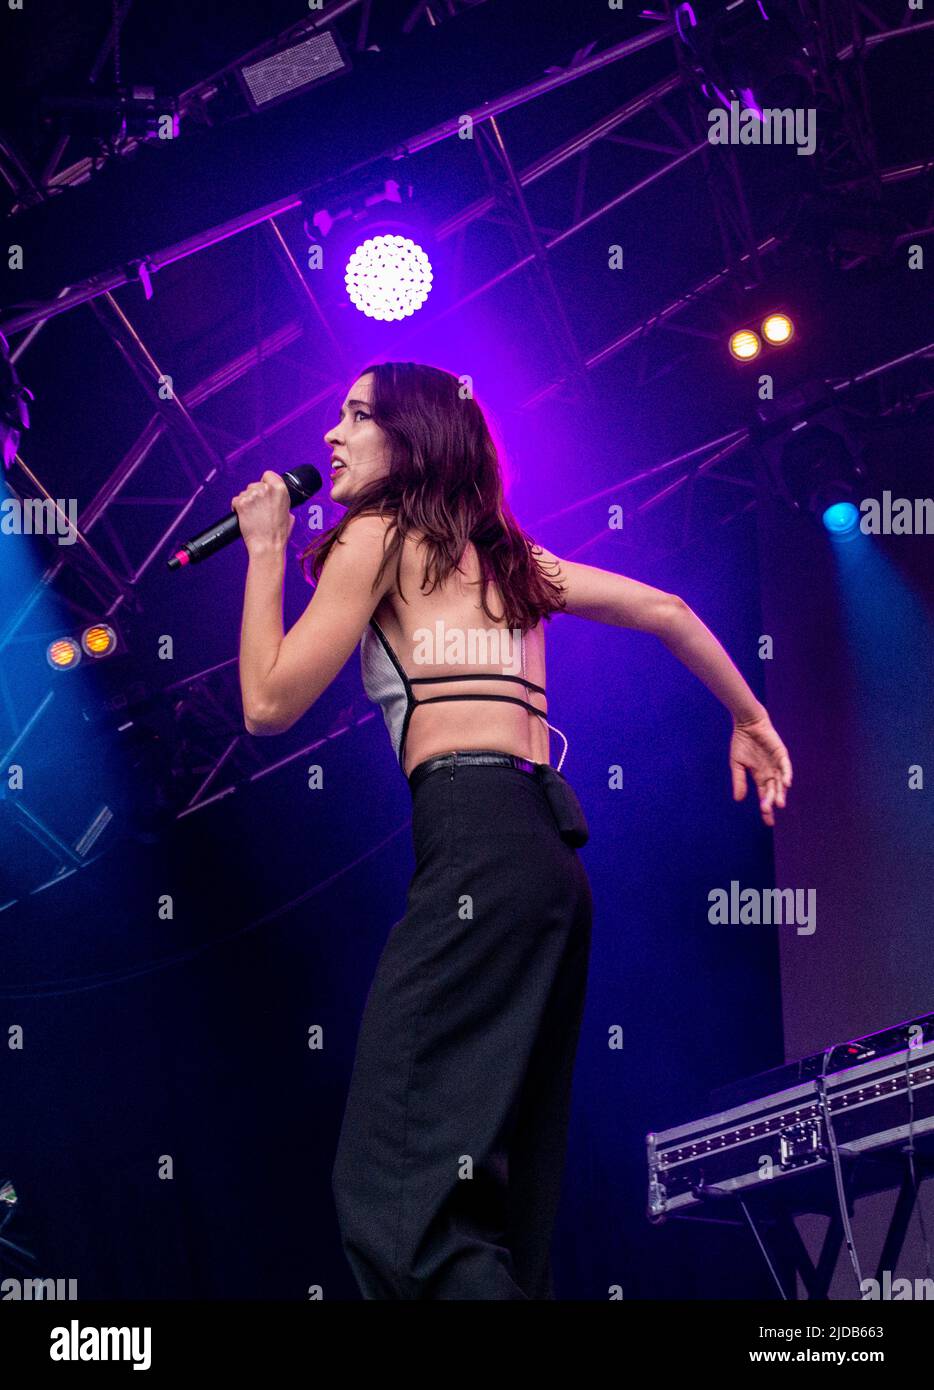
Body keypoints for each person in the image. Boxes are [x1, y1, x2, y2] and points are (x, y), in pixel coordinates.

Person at [233, 360, 792, 1300]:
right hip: (545, 860)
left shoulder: (372, 534)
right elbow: (668, 610)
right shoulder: (511, 562)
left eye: (356, 415)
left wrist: (262, 551)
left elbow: (267, 702)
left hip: (476, 841)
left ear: (411, 437)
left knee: (397, 1182)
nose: (330, 435)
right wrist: (750, 718)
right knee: (495, 1187)